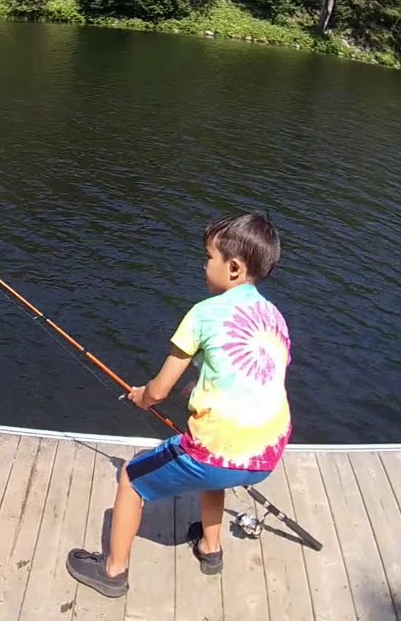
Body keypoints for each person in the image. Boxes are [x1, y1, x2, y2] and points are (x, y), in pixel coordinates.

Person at [66, 212, 292, 597]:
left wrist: (142, 397)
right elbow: (248, 374)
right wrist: (199, 385)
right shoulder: (274, 317)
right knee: (214, 477)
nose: (205, 266)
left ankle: (113, 572)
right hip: (268, 455)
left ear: (233, 268)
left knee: (132, 479)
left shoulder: (203, 314)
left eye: (209, 258)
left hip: (215, 453)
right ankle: (210, 548)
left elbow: (158, 390)